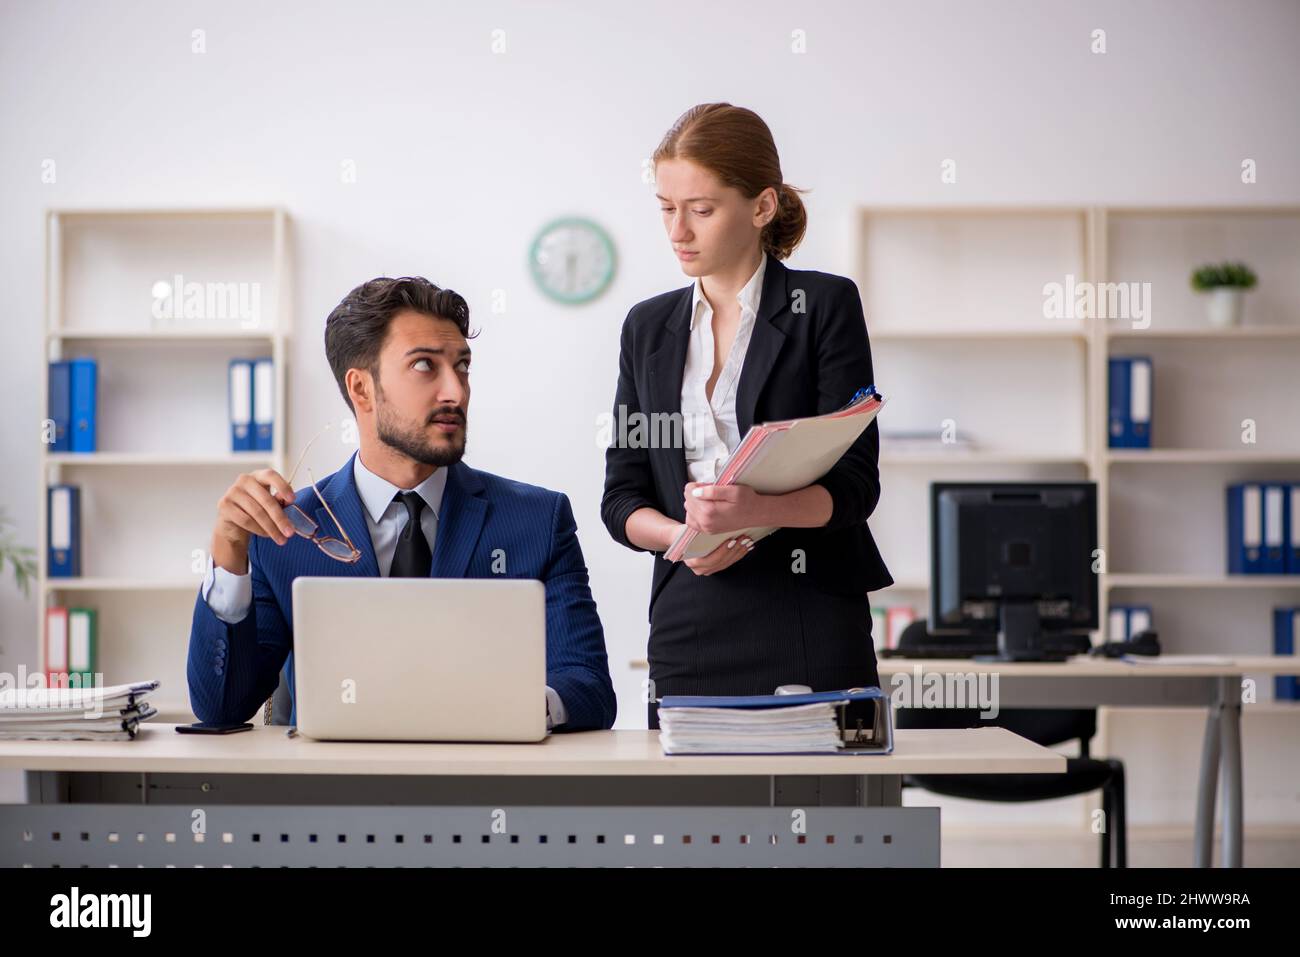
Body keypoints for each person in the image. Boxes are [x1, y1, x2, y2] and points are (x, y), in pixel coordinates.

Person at [188, 277, 616, 731]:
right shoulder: (287, 530)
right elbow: (221, 709)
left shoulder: (536, 520)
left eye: (463, 366)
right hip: (333, 792)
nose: (456, 391)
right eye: (424, 366)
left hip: (484, 789)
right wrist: (229, 555)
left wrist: (510, 706)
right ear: (361, 389)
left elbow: (588, 689)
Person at [601, 103, 893, 729]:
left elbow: (855, 488)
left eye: (701, 209)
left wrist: (759, 512)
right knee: (693, 824)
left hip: (809, 605)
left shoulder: (824, 304)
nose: (678, 230)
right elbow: (621, 497)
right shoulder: (647, 328)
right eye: (665, 207)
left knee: (829, 821)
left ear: (761, 207)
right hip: (690, 611)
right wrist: (685, 538)